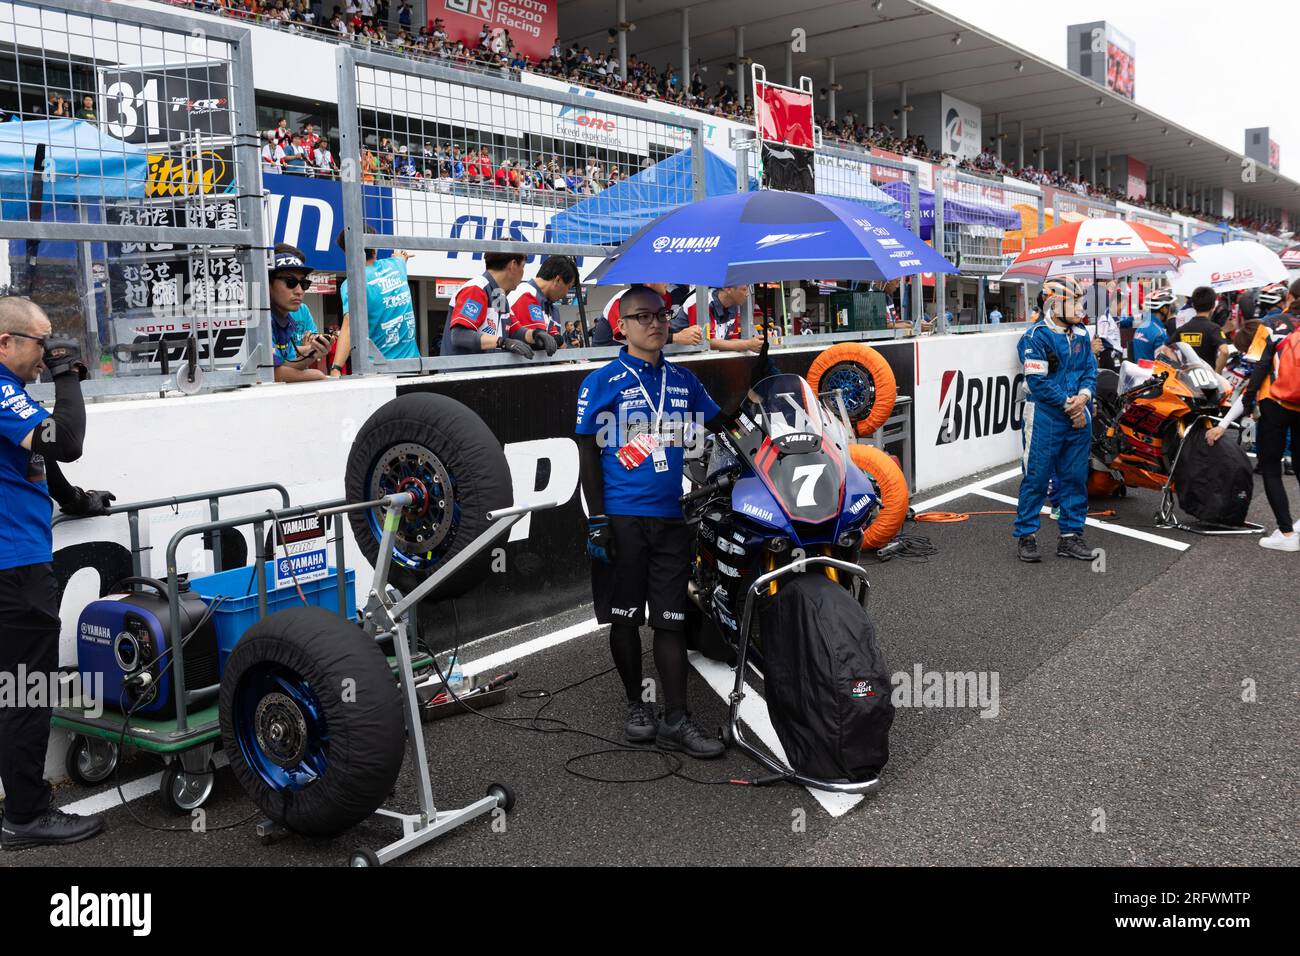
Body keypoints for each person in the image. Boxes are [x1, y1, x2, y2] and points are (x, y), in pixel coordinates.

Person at [575, 285, 727, 758]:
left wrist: (760, 382)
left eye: (661, 315)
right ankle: (636, 707)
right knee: (624, 617)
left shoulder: (684, 381)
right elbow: (587, 454)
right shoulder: (601, 381)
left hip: (670, 518)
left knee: (670, 620)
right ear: (621, 326)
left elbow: (722, 425)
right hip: (622, 518)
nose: (656, 323)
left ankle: (677, 719)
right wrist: (598, 519)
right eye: (643, 316)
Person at [0, 297, 113, 850]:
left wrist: (76, 500)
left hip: (13, 567)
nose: (47, 355)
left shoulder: (12, 394)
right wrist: (70, 376)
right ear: (6, 342)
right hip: (15, 570)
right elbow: (65, 440)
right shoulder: (1, 390)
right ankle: (25, 816)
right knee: (25, 692)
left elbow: (34, 458)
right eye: (42, 344)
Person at [1013, 297, 1099, 562]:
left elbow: (1090, 371)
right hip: (1045, 415)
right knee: (1037, 476)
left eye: (1081, 303)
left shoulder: (1082, 333)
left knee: (1075, 476)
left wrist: (1083, 397)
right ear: (1055, 305)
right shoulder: (1035, 336)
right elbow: (1036, 382)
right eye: (1074, 304)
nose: (1081, 309)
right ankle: (1027, 535)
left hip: (1078, 413)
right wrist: (1071, 406)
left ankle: (1070, 537)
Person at [1206, 316, 1300, 551]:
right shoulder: (1291, 327)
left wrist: (1223, 424)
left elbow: (1251, 386)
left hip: (1275, 403)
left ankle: (1287, 534)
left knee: (1270, 469)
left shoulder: (1266, 335)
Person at [334, 227, 420, 374]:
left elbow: (349, 323)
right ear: (375, 246)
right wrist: (401, 256)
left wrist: (336, 368)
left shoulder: (352, 282)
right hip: (412, 365)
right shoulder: (396, 265)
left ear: (348, 252)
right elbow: (401, 257)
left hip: (378, 370)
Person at [440, 253, 534, 358]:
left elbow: (515, 331)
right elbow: (460, 335)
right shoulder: (476, 289)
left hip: (484, 367)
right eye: (523, 266)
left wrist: (536, 335)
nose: (523, 273)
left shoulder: (499, 294)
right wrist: (502, 342)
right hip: (464, 368)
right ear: (513, 265)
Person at [267, 244, 332, 383]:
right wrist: (318, 375)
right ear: (268, 284)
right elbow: (271, 373)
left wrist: (314, 352)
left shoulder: (286, 319)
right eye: (290, 282)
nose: (299, 291)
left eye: (303, 283)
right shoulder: (261, 320)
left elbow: (286, 365)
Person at [505, 257, 576, 354]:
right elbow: (540, 343)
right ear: (558, 280)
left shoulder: (551, 307)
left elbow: (557, 344)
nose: (566, 294)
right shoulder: (526, 293)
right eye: (568, 287)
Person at [591, 284, 699, 347]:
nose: (667, 282)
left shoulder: (660, 300)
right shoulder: (624, 298)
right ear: (648, 282)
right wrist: (677, 337)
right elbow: (638, 335)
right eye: (662, 277)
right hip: (607, 358)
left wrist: (686, 334)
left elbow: (665, 330)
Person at [675, 286, 766, 352]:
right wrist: (748, 344)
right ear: (728, 289)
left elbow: (731, 340)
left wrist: (754, 344)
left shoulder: (733, 306)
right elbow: (707, 343)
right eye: (744, 289)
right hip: (677, 356)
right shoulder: (699, 301)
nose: (747, 294)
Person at [1169, 286, 1230, 372]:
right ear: (1213, 306)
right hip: (1208, 377)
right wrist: (1217, 373)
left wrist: (1179, 367)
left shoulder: (1183, 328)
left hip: (1188, 376)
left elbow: (1166, 349)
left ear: (1193, 305)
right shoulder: (1214, 328)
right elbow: (1224, 351)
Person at [1129, 288, 1173, 363]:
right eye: (1169, 308)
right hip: (1152, 369)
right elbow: (1165, 362)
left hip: (1139, 368)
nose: (1170, 312)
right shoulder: (1160, 333)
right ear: (1164, 309)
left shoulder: (1141, 327)